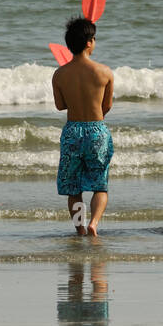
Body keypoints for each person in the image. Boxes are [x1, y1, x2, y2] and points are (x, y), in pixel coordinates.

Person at [52, 16, 115, 237]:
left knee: (74, 188)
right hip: (97, 130)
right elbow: (106, 106)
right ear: (89, 42)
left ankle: (80, 228)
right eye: (94, 38)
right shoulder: (105, 72)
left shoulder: (59, 74)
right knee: (100, 185)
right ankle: (94, 224)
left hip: (72, 131)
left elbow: (61, 105)